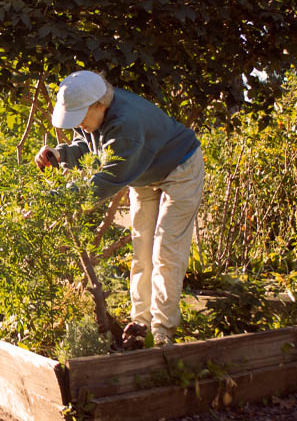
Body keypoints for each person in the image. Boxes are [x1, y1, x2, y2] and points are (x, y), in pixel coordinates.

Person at [35, 71, 204, 347]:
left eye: (79, 117)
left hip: (180, 168)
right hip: (145, 172)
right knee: (142, 250)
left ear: (99, 105)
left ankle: (163, 332)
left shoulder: (127, 125)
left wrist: (56, 199)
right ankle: (141, 323)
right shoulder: (94, 114)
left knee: (167, 250)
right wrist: (60, 154)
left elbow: (107, 180)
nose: (76, 124)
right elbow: (89, 145)